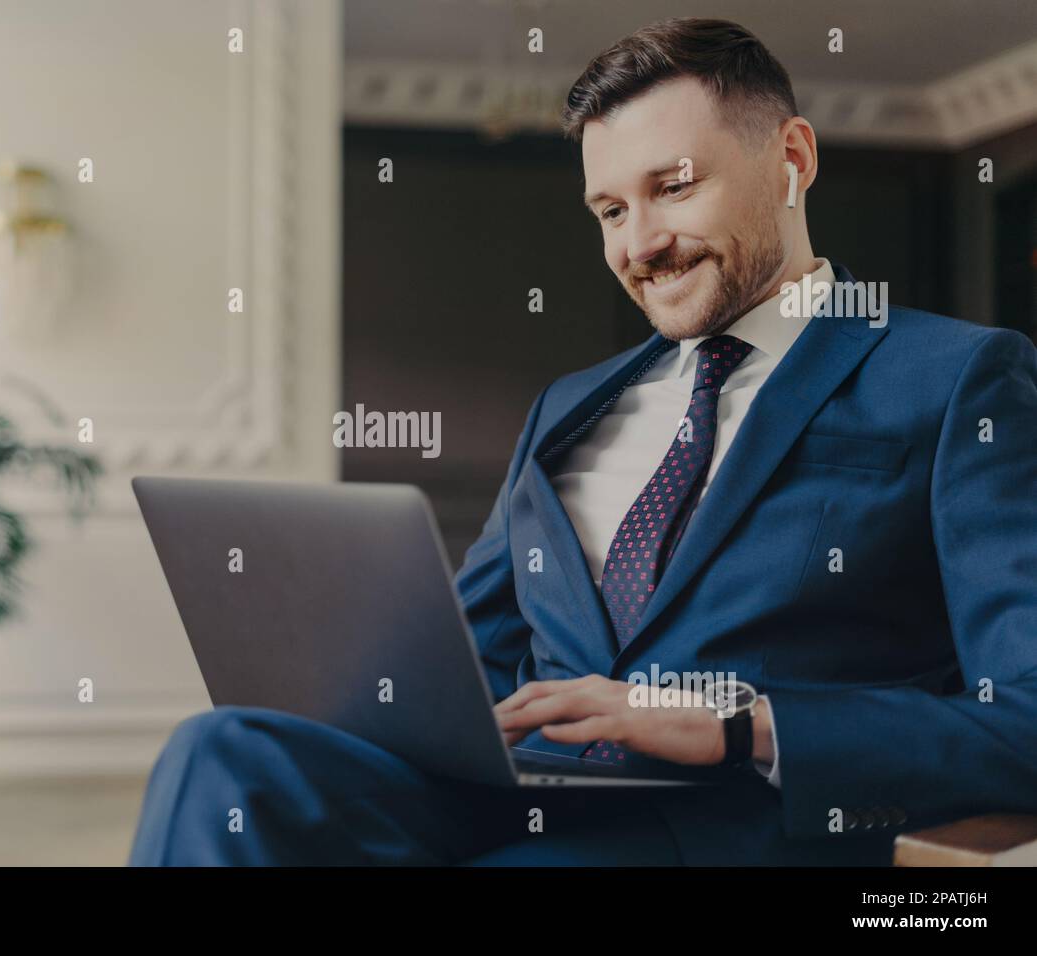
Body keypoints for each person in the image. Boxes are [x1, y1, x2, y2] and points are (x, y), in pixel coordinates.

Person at [129, 17, 1037, 866]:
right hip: (535, 789)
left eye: (674, 187)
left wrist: (732, 720)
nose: (640, 243)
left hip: (729, 822)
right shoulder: (568, 408)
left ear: (792, 158)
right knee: (225, 752)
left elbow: (1025, 717)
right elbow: (465, 663)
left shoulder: (959, 377)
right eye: (609, 211)